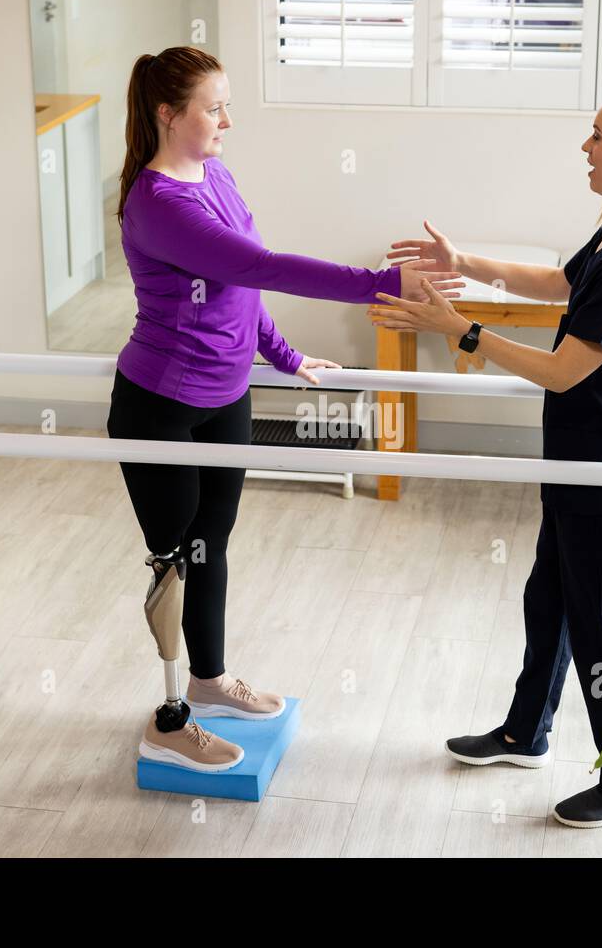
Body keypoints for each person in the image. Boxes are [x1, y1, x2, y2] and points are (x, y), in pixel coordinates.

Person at [108, 46, 463, 773]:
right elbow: (262, 267)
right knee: (174, 563)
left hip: (225, 396)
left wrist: (284, 354)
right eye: (214, 107)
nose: (227, 120)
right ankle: (170, 719)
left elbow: (244, 286)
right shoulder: (157, 203)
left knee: (213, 548)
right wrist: (380, 281)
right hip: (159, 407)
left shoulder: (216, 176)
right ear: (168, 114)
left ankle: (207, 680)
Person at [371, 84, 602, 827]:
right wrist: (466, 261)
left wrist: (465, 332)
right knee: (548, 600)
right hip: (577, 462)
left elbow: (562, 370)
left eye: (598, 136)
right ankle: (526, 730)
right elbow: (558, 283)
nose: (586, 147)